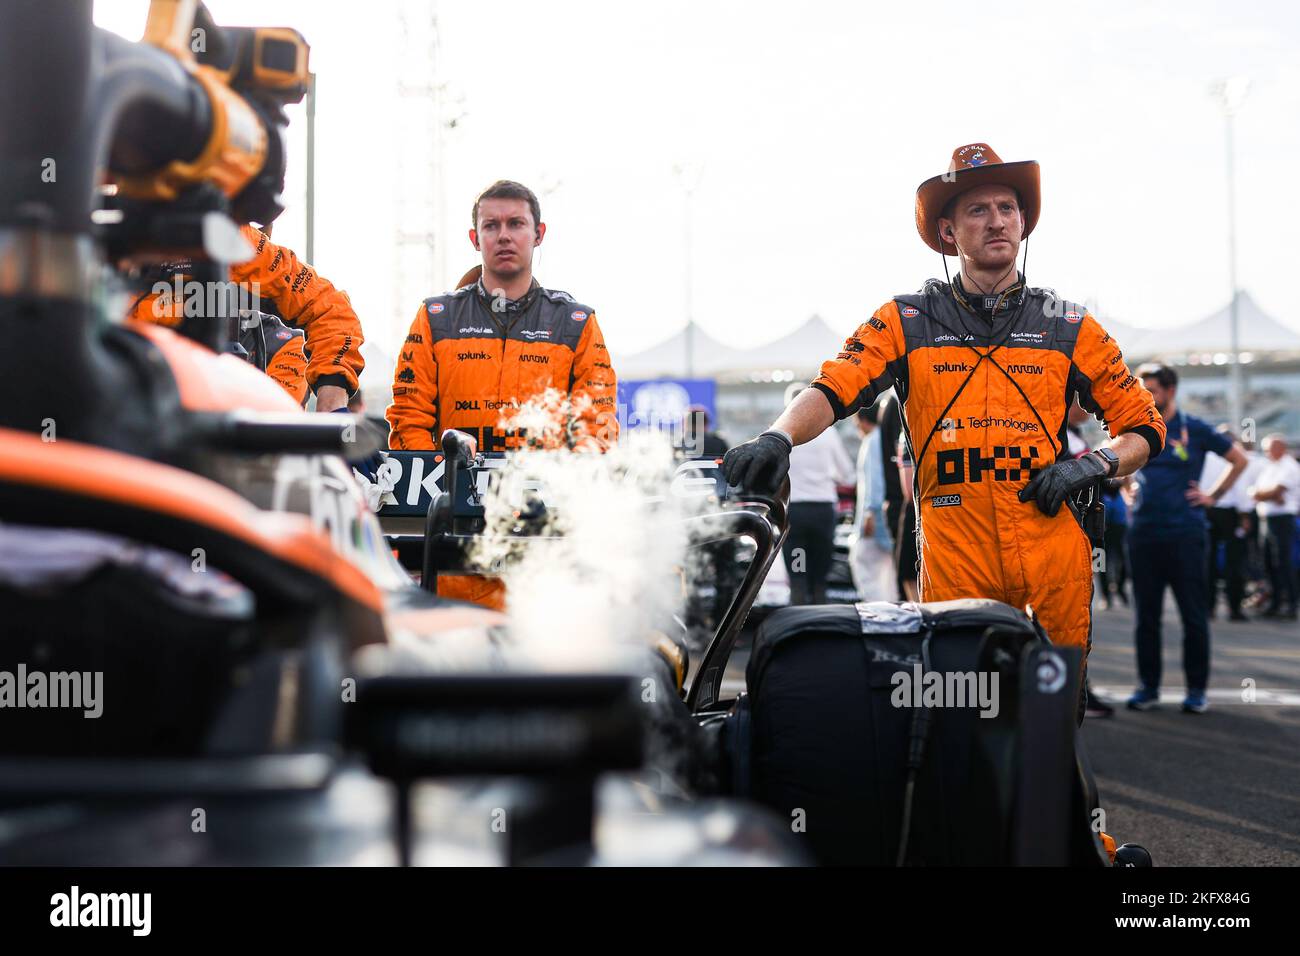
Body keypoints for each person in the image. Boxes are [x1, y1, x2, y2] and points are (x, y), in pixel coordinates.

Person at [722, 142, 1167, 712]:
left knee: (1052, 722)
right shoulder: (908, 319)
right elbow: (834, 385)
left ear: (1024, 222)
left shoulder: (1069, 323)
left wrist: (1094, 464)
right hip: (957, 552)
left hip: (1052, 548)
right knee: (962, 719)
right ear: (948, 231)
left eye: (1007, 207)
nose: (997, 220)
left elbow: (1143, 426)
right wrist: (778, 437)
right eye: (977, 210)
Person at [386, 180, 618, 609]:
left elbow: (596, 430)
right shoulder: (436, 317)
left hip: (544, 549)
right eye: (491, 225)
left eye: (516, 223)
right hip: (455, 544)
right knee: (454, 669)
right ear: (475, 238)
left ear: (539, 234)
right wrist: (439, 498)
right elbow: (408, 419)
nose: (504, 235)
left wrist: (561, 505)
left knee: (543, 670)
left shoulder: (577, 323)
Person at [128, 223, 364, 411]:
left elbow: (330, 308)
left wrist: (333, 404)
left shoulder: (234, 241)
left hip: (213, 431)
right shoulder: (103, 238)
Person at [1122, 364, 1248, 714]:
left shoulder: (1195, 428)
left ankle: (1196, 691)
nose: (1146, 395)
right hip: (1143, 535)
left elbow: (1239, 459)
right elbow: (1117, 463)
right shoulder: (1135, 427)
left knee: (1194, 616)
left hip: (1186, 536)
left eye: (1152, 390)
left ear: (1171, 391)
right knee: (1146, 618)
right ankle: (1148, 688)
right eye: (1142, 389)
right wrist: (1128, 485)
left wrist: (1213, 495)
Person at [781, 386, 854, 605]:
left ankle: (795, 622)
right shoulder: (828, 433)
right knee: (820, 577)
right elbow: (848, 476)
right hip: (823, 511)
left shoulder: (784, 435)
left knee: (798, 576)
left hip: (795, 513)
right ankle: (820, 626)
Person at [1201, 427, 1256, 621]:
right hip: (1230, 513)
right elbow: (1240, 488)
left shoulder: (1205, 456)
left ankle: (1209, 608)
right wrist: (1245, 516)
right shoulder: (1234, 456)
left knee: (1208, 561)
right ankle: (1234, 608)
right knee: (1235, 562)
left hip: (1207, 510)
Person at [1250, 434, 1300, 619]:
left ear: (1280, 448)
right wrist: (1265, 494)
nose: (1266, 453)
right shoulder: (1270, 467)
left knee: (1283, 563)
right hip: (1268, 518)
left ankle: (1291, 604)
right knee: (1269, 563)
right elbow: (1256, 491)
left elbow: (1275, 492)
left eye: (1268, 449)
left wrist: (1263, 494)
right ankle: (1276, 602)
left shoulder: (1289, 466)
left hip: (1282, 520)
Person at [849, 404, 895, 601]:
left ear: (864, 421)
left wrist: (870, 512)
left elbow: (874, 480)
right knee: (887, 571)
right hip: (882, 513)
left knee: (863, 564)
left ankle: (877, 609)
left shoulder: (872, 441)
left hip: (873, 516)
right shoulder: (883, 438)